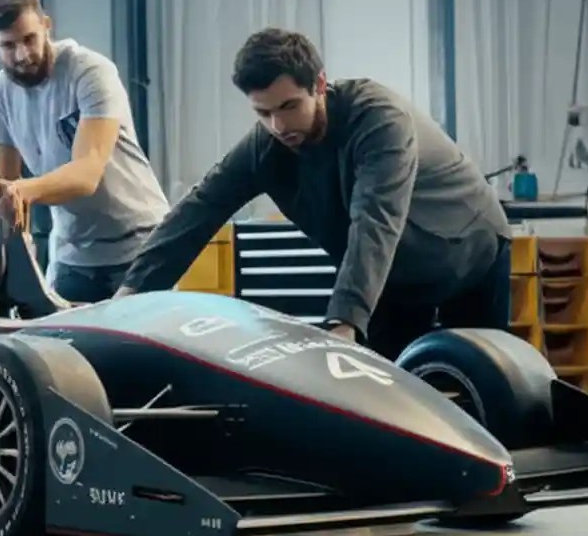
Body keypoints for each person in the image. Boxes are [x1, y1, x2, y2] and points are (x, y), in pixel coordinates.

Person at [115, 28, 513, 361]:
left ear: (319, 84)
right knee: (391, 400)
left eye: (289, 106)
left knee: (484, 390)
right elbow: (199, 210)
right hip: (393, 277)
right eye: (263, 113)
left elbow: (375, 218)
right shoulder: (266, 146)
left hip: (467, 250)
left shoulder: (378, 119)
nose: (278, 124)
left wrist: (343, 323)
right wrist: (128, 296)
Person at [0, 0, 170, 303]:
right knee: (58, 345)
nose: (23, 55)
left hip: (140, 246)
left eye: (29, 39)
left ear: (46, 26)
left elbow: (87, 172)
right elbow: (5, 185)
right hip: (72, 254)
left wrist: (22, 191)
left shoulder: (90, 72)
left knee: (137, 349)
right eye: (8, 46)